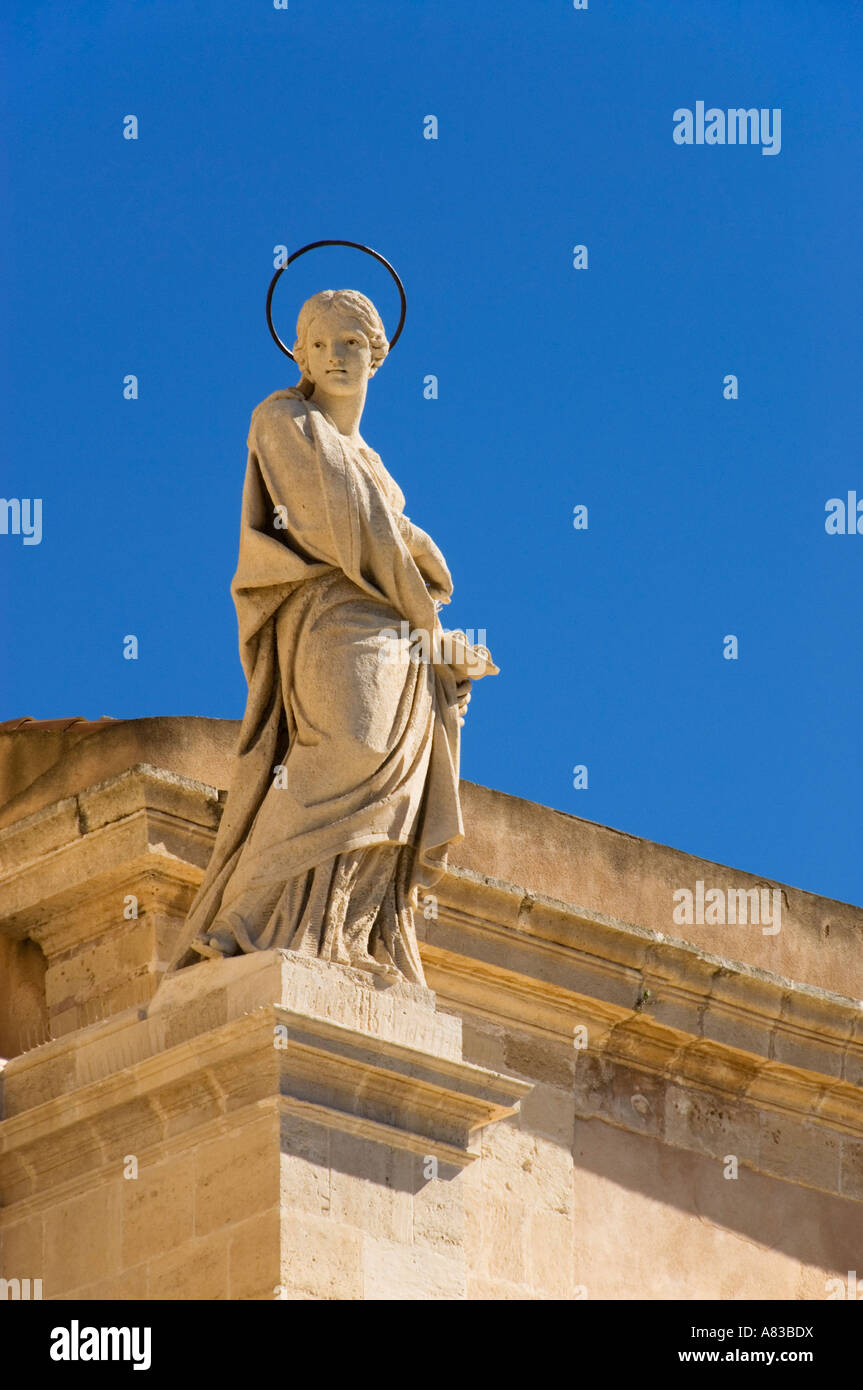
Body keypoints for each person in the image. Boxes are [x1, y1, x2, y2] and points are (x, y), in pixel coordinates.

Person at [167, 289, 473, 984]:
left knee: (389, 787)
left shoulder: (375, 465)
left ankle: (342, 937)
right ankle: (247, 922)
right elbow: (338, 527)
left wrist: (429, 634)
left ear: (378, 355)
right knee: (345, 751)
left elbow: (376, 527)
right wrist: (430, 616)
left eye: (352, 344)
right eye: (322, 343)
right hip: (331, 616)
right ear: (298, 353)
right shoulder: (282, 421)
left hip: (396, 633)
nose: (336, 357)